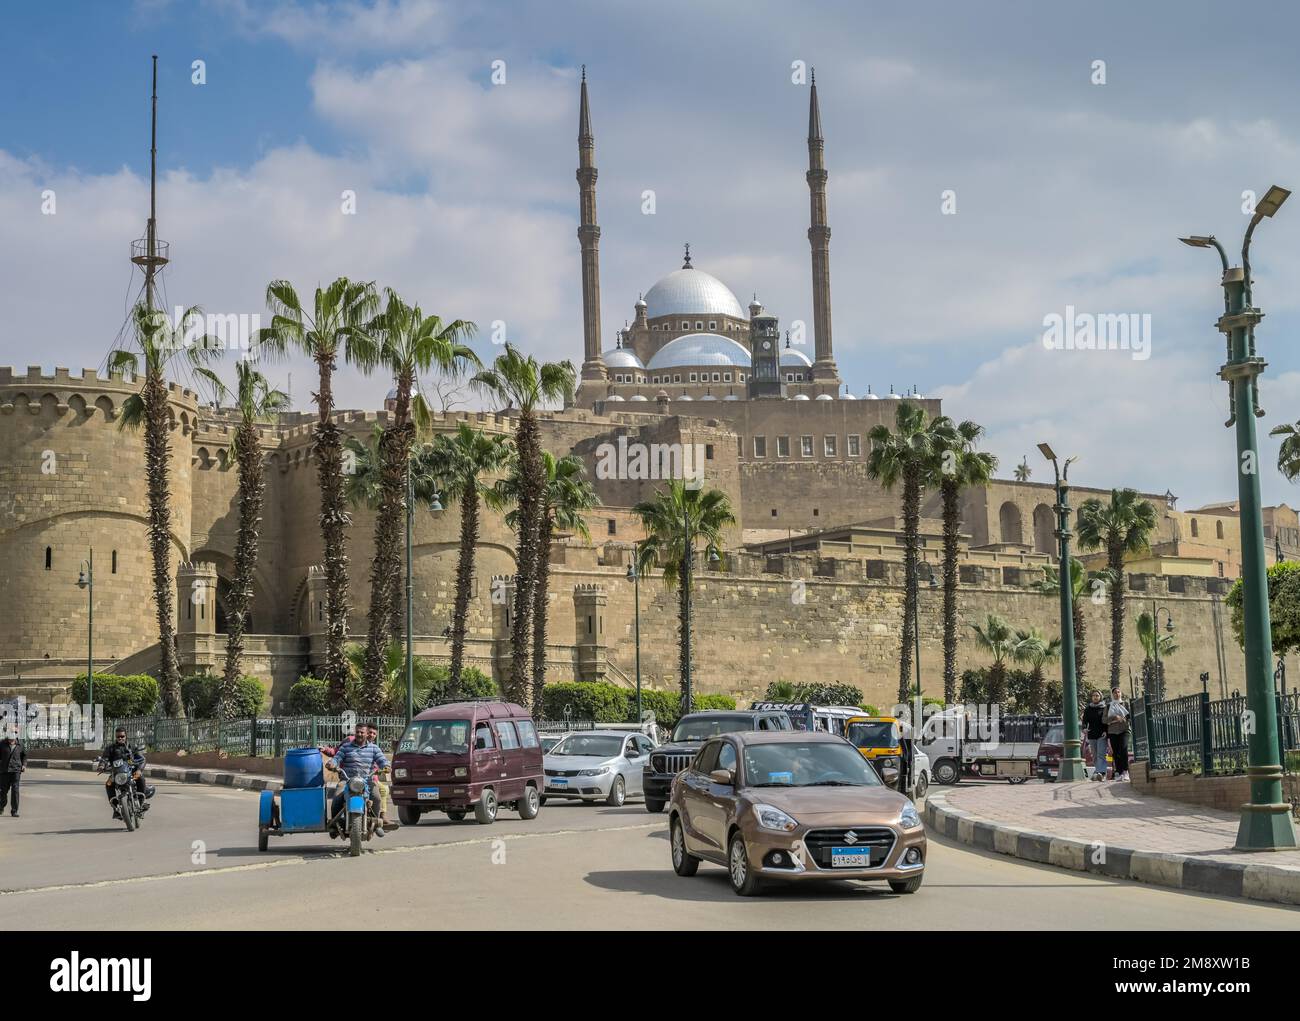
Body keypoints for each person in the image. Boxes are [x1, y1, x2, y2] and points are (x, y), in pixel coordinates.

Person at [329, 726, 388, 837]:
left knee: (377, 797)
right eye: (357, 732)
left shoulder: (374, 748)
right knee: (337, 797)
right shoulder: (346, 747)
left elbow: (382, 760)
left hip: (367, 781)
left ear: (367, 734)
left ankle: (376, 824)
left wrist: (385, 767)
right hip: (347, 780)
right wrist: (332, 764)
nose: (359, 734)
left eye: (362, 732)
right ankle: (334, 826)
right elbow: (337, 758)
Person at [100, 728, 150, 817]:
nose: (120, 738)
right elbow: (104, 758)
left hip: (131, 771)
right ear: (115, 737)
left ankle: (141, 803)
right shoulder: (110, 748)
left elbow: (142, 758)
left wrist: (139, 770)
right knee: (108, 784)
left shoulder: (131, 747)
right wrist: (102, 765)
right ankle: (115, 808)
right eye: (118, 736)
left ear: (126, 736)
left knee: (140, 778)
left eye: (122, 736)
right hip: (116, 773)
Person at [1081, 691, 1110, 781]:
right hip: (1092, 734)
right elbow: (1085, 721)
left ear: (1100, 697)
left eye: (1097, 695)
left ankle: (1101, 773)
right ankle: (1098, 772)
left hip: (1102, 734)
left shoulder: (1104, 708)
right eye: (1093, 695)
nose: (1095, 697)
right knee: (1094, 755)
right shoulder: (1088, 709)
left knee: (1101, 754)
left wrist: (1106, 731)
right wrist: (1085, 728)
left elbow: (1106, 721)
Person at [1105, 687, 1131, 782]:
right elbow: (1104, 720)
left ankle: (1125, 771)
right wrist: (1114, 718)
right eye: (1115, 693)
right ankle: (1120, 773)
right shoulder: (1108, 706)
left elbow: (1130, 716)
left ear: (1121, 693)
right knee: (1116, 752)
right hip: (1112, 732)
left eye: (1118, 692)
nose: (1117, 694)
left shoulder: (1126, 704)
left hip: (1124, 730)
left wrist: (1124, 719)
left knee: (1123, 749)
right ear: (1112, 695)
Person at [0, 730, 26, 817]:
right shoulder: (2, 744)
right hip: (4, 771)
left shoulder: (20, 744)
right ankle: (1, 806)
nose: (11, 741)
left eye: (12, 740)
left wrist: (24, 765)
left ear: (15, 739)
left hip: (16, 770)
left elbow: (24, 756)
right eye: (9, 740)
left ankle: (14, 811)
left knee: (15, 790)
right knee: (3, 791)